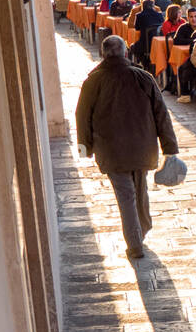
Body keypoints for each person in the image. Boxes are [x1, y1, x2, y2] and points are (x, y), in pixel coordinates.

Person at [74, 34, 179, 262]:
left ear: (103, 54)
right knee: (139, 192)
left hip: (111, 150)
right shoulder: (143, 77)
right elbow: (162, 114)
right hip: (142, 147)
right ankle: (140, 232)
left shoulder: (93, 81)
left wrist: (85, 147)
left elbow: (82, 116)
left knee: (126, 196)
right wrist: (170, 147)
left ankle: (135, 243)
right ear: (125, 52)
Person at [132, 0, 163, 71]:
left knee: (133, 47)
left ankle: (144, 63)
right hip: (158, 43)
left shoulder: (139, 15)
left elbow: (136, 28)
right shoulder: (159, 15)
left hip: (144, 43)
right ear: (153, 6)